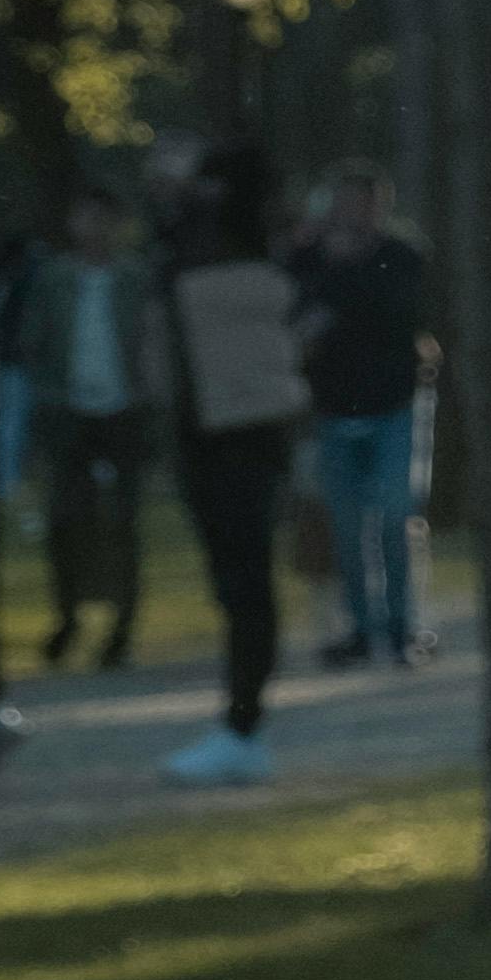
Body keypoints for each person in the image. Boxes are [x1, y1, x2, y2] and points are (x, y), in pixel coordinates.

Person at [161, 145, 305, 785]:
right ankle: (241, 719)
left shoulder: (223, 251)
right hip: (217, 428)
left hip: (235, 431)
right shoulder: (237, 249)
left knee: (244, 581)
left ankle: (242, 722)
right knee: (238, 581)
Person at [17, 182, 160, 670]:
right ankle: (67, 614)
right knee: (65, 520)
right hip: (69, 412)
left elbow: (151, 342)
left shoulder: (136, 278)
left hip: (124, 411)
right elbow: (31, 341)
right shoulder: (54, 278)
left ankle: (122, 625)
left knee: (122, 521)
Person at [293, 164, 432, 664]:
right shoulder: (305, 260)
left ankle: (401, 626)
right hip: (331, 411)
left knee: (396, 518)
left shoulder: (401, 258)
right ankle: (359, 626)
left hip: (393, 407)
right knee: (345, 529)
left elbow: (405, 314)